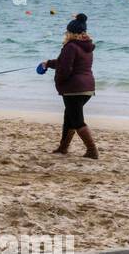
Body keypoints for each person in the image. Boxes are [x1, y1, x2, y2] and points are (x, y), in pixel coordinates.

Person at [39, 13, 98, 159]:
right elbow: (64, 63)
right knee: (69, 117)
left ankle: (92, 150)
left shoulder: (70, 47)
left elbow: (65, 69)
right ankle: (63, 147)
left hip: (74, 89)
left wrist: (60, 82)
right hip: (88, 88)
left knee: (77, 120)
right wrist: (48, 63)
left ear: (71, 33)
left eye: (67, 31)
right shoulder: (87, 47)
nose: (66, 34)